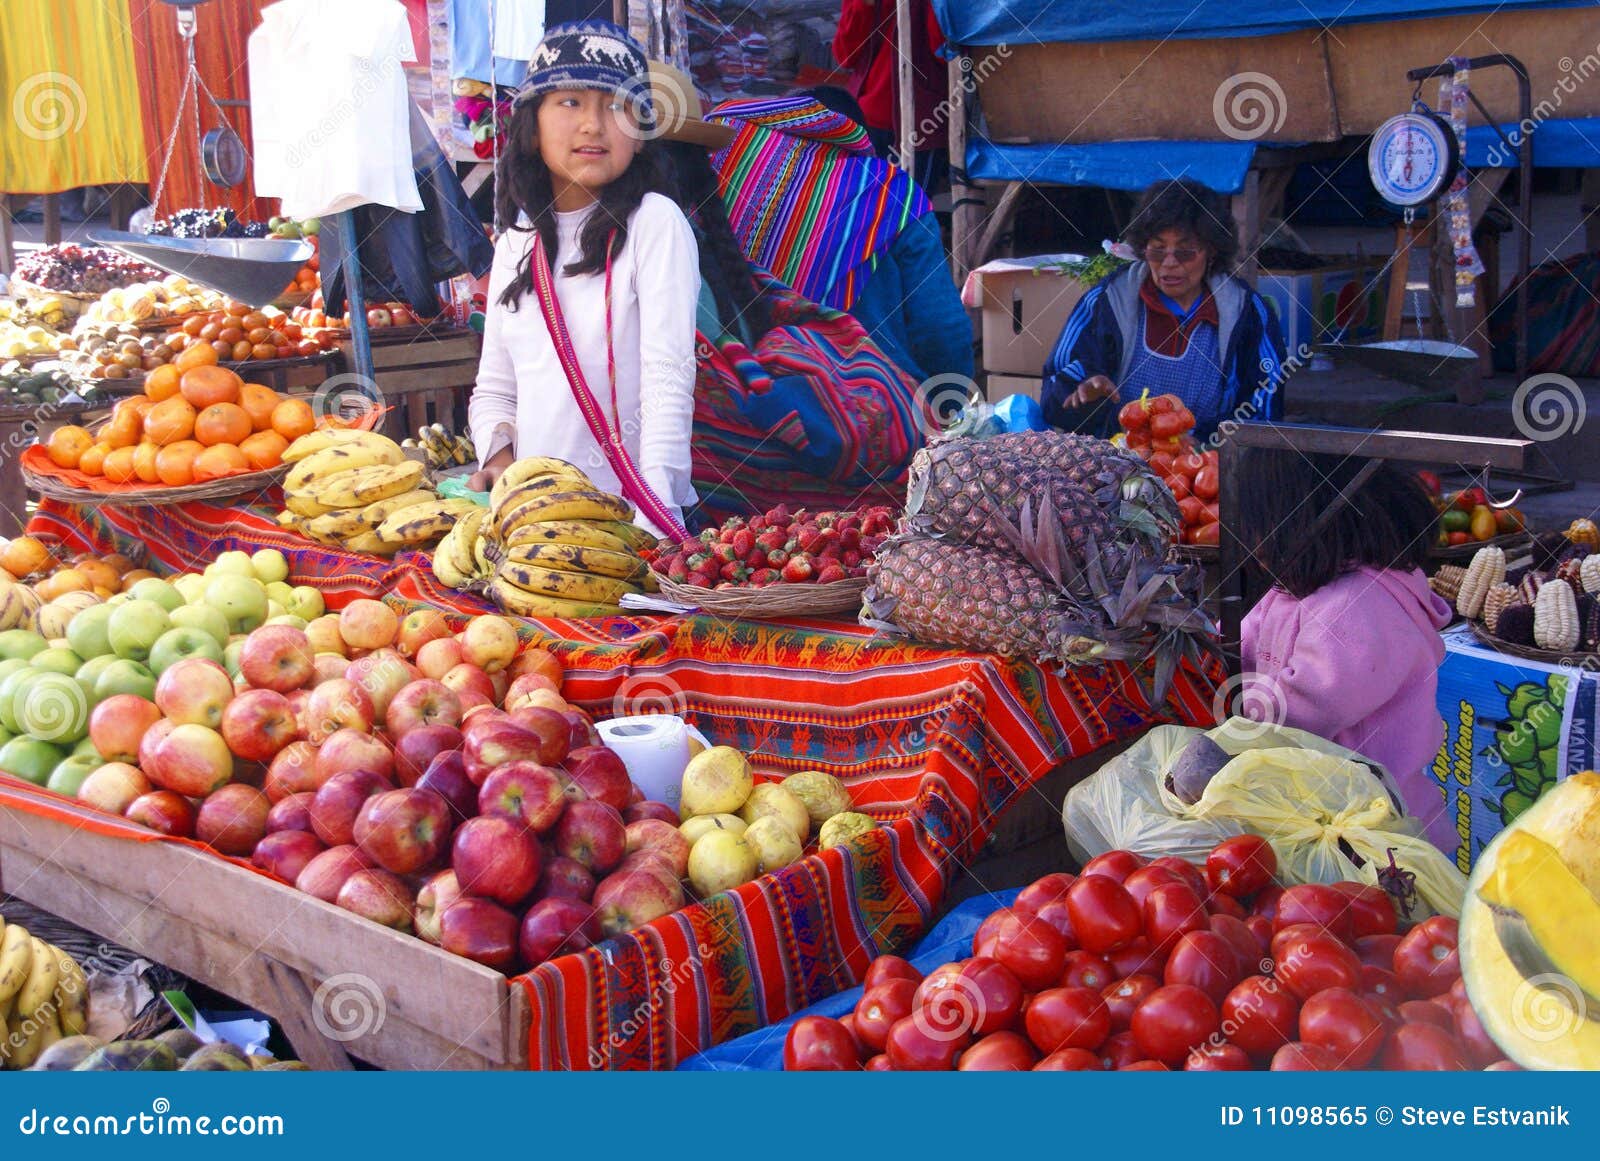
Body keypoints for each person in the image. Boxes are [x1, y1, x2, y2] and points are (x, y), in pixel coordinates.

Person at [648, 68, 933, 520]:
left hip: (723, 483)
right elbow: (940, 322)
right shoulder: (885, 187)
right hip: (869, 386)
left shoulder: (742, 178)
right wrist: (943, 405)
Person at [466, 22, 699, 540]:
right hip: (536, 527)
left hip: (627, 522)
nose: (593, 125)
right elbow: (496, 389)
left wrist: (653, 525)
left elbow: (668, 381)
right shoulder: (515, 244)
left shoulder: (653, 223)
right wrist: (500, 461)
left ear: (640, 138)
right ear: (532, 127)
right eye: (570, 102)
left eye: (617, 106)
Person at [1235, 449, 1456, 852]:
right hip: (1318, 815)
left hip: (1380, 832)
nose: (1250, 544)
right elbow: (1240, 642)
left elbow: (1308, 707)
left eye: (1258, 529)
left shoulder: (1360, 607)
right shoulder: (1290, 593)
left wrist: (1229, 714)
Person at [704, 95, 972, 385]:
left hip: (753, 402)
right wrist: (952, 403)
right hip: (880, 404)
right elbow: (940, 326)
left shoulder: (718, 191)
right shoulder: (887, 193)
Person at [1044, 179, 1285, 442]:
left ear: (1211, 251)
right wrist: (1087, 397)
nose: (1169, 263)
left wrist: (1206, 443)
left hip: (1205, 470)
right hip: (1117, 466)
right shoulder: (1107, 301)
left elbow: (1265, 407)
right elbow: (1053, 402)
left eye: (1185, 252)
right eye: (1157, 250)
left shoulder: (1247, 312)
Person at [831, 0, 948, 190]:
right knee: (862, 210)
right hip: (865, 124)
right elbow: (845, 57)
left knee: (908, 211)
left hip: (921, 124)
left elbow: (945, 53)